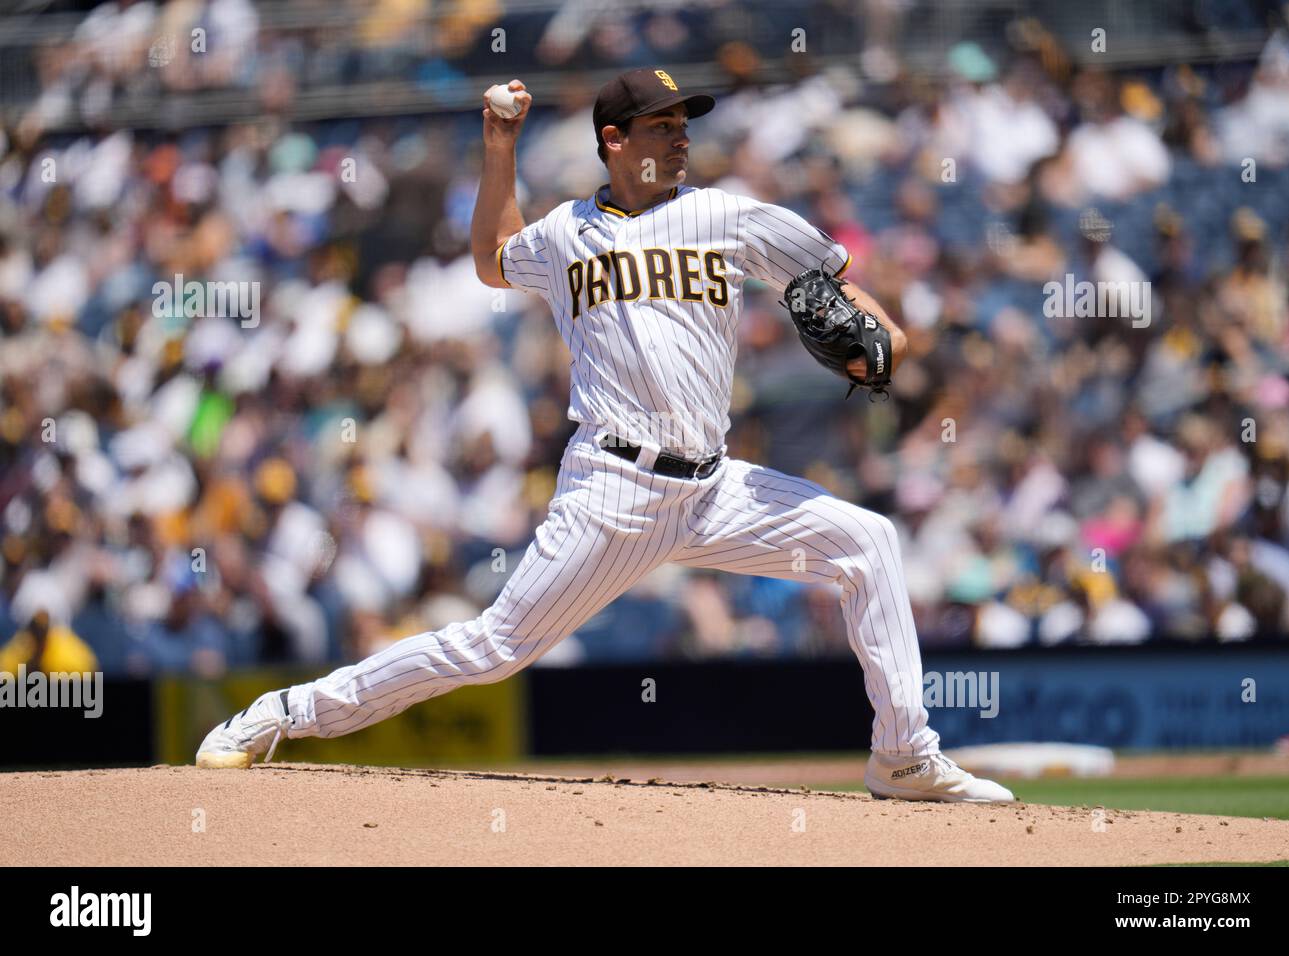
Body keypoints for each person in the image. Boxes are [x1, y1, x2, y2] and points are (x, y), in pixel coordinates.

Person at [196, 68, 1014, 803]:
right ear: (614, 141)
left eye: (685, 123)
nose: (681, 135)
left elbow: (845, 294)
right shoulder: (564, 234)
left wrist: (888, 347)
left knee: (867, 542)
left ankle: (904, 756)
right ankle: (284, 712)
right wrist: (498, 144)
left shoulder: (729, 216)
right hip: (612, 491)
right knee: (492, 648)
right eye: (663, 125)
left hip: (714, 487)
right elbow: (490, 259)